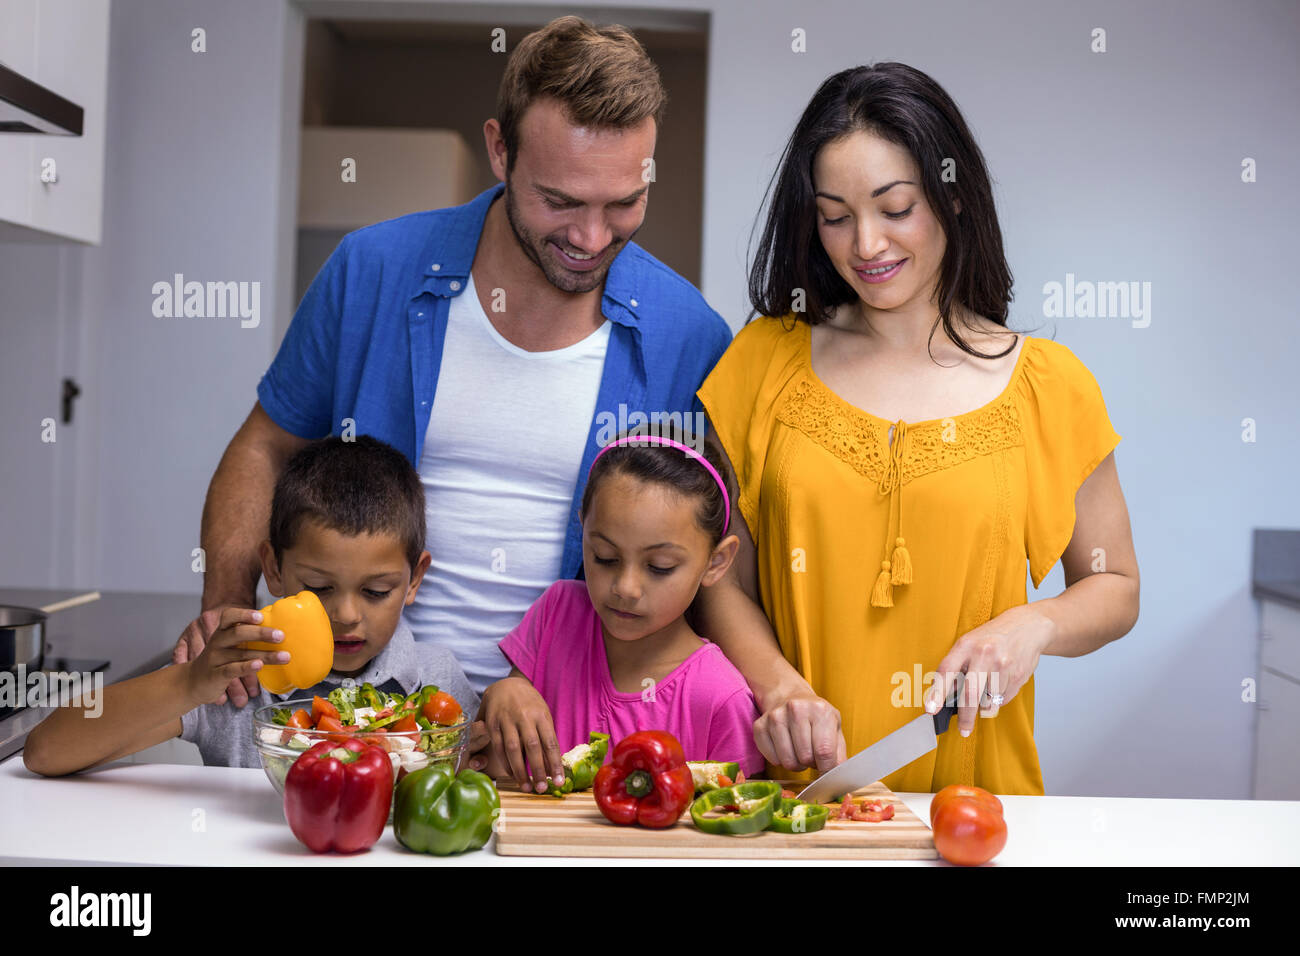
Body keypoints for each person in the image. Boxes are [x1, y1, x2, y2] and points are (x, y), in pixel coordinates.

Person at [173, 15, 731, 712]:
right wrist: (225, 602)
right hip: (355, 714)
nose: (592, 237)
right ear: (500, 151)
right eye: (559, 201)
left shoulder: (691, 336)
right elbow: (265, 444)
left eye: (624, 203)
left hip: (567, 736)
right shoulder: (371, 271)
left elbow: (712, 559)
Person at [695, 63, 1140, 794]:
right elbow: (719, 580)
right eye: (835, 216)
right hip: (795, 796)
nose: (865, 244)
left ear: (953, 196)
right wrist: (777, 686)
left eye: (895, 207)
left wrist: (1033, 626)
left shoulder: (1050, 385)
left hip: (975, 807)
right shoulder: (761, 363)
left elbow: (1115, 585)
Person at [24, 436, 481, 775]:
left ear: (415, 579)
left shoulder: (437, 681)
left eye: (376, 591)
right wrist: (188, 683)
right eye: (319, 587)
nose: (345, 614)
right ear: (274, 569)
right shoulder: (238, 677)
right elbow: (46, 751)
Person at [477, 432, 765, 792]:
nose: (626, 588)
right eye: (605, 557)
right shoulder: (558, 613)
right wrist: (502, 693)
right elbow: (501, 767)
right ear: (583, 529)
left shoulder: (721, 698)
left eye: (659, 566)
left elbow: (737, 819)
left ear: (716, 561)